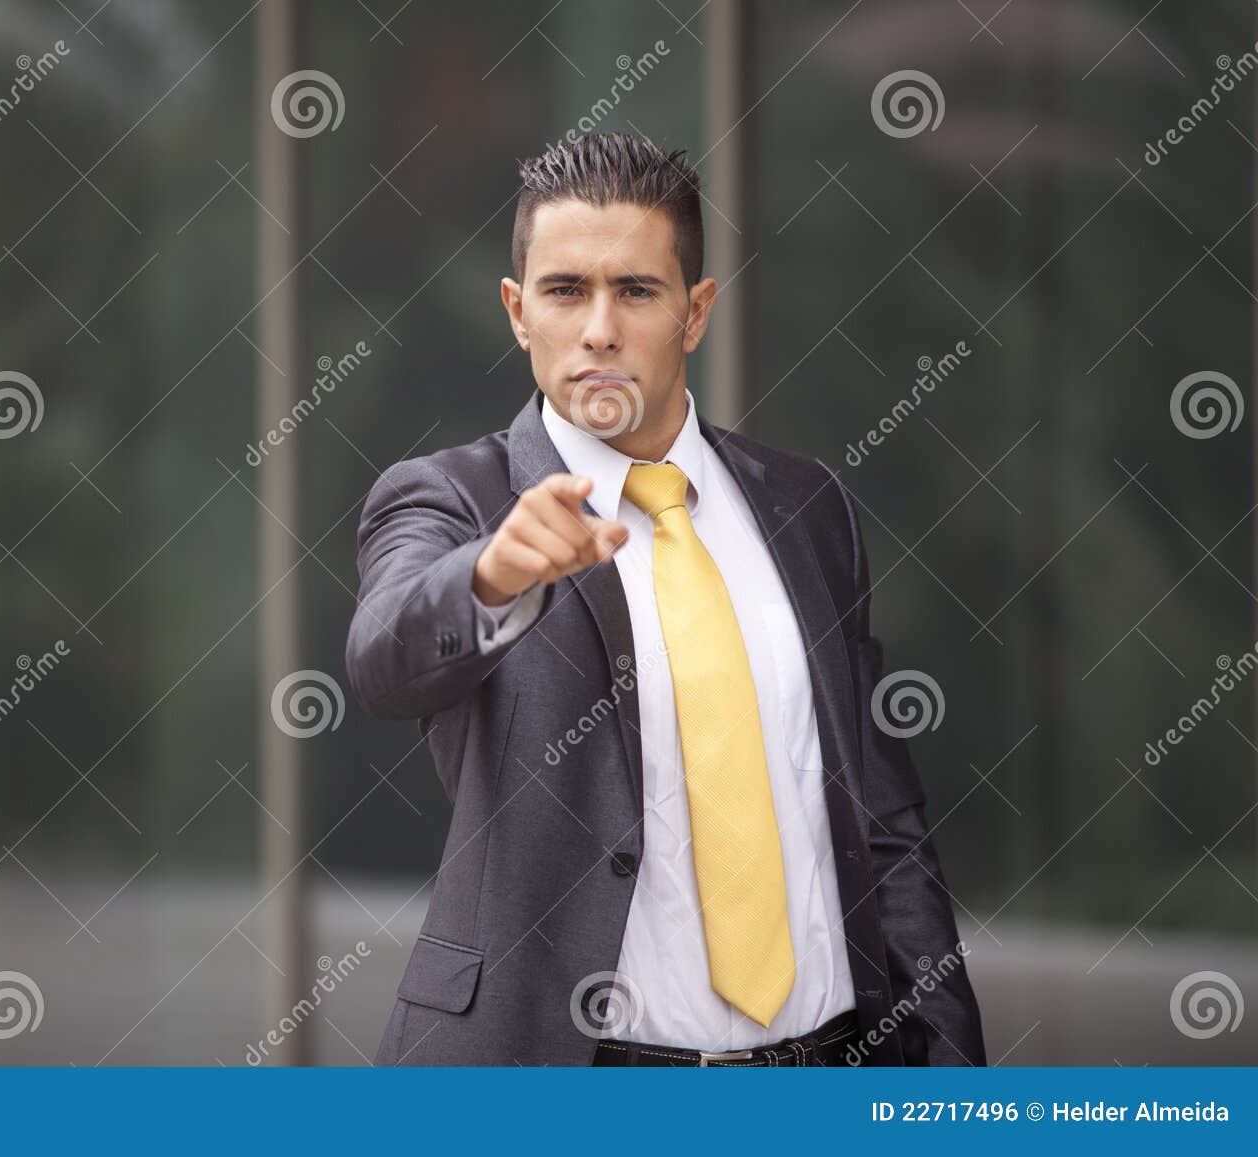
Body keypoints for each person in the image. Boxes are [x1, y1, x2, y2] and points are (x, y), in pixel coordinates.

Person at [344, 130, 985, 1067]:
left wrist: (950, 1064)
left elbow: (882, 819)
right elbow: (383, 659)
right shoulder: (451, 498)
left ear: (694, 311)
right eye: (566, 291)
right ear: (520, 313)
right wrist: (491, 573)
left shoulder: (807, 507)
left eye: (635, 290)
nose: (599, 327)